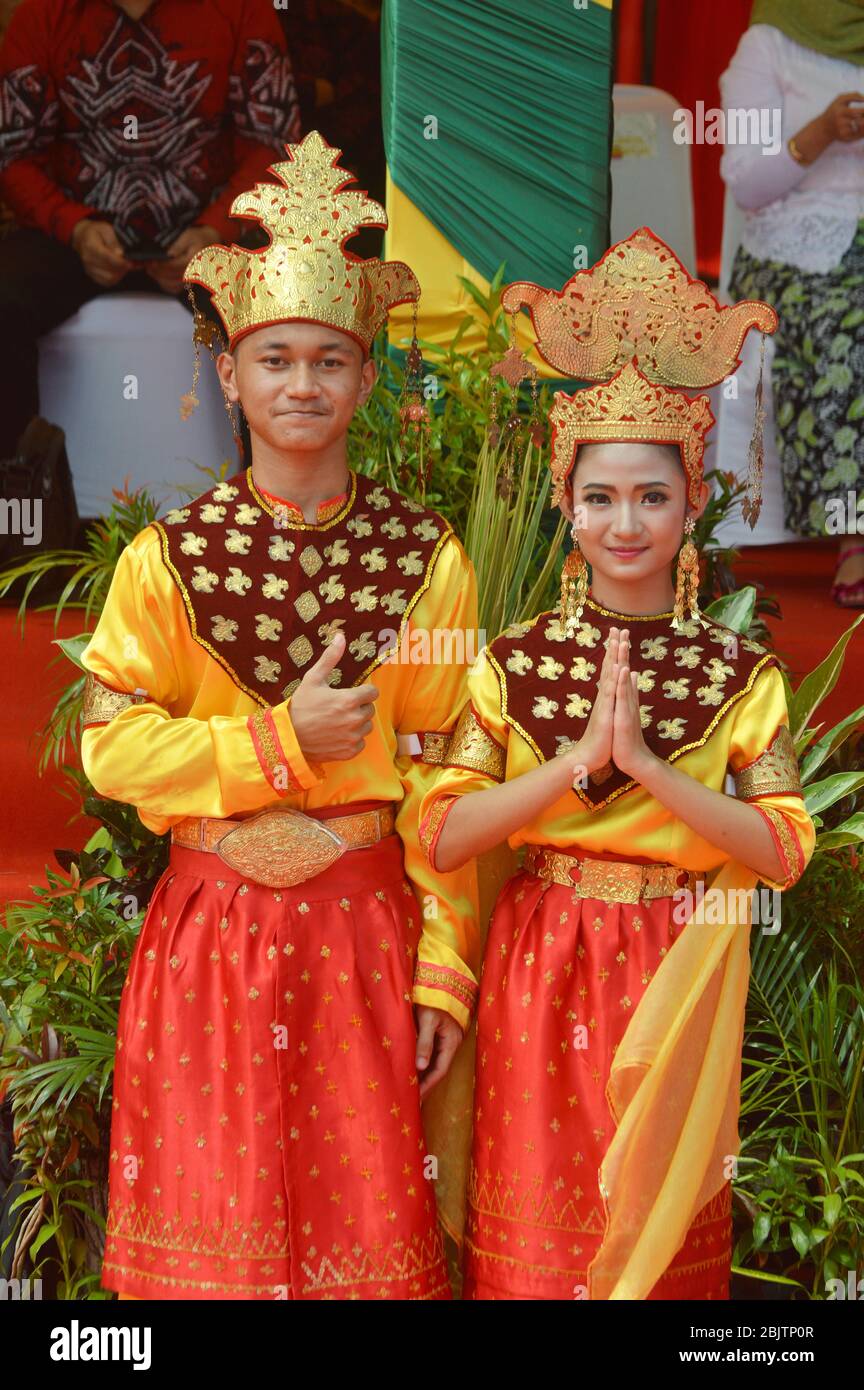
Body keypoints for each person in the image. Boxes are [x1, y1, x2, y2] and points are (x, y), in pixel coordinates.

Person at [79, 130, 481, 1300]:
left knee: (364, 1244)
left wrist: (444, 968)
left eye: (327, 360)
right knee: (214, 1249)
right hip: (211, 931)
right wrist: (273, 743)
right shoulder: (169, 559)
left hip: (368, 934)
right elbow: (111, 742)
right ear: (228, 378)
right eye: (274, 359)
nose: (300, 384)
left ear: (365, 379)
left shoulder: (425, 557)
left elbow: (455, 767)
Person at [418, 227, 817, 1300]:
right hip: (541, 969)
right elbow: (442, 832)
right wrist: (573, 766)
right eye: (600, 497)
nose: (624, 521)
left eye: (651, 496)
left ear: (692, 504)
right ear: (566, 503)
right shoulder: (510, 663)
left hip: (673, 975)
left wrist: (645, 764)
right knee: (540, 1257)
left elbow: (781, 848)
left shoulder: (739, 670)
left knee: (654, 1254)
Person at [0, 0, 301, 459]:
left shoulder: (242, 9)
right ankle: (20, 496)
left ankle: (272, 507)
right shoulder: (43, 13)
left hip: (210, 233)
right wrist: (74, 227)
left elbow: (274, 141)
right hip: (72, 235)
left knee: (286, 308)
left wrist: (214, 230)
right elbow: (12, 154)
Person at [719, 0, 864, 605]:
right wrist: (822, 132)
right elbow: (746, 180)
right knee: (846, 323)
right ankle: (852, 530)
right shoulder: (769, 45)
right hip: (791, 250)